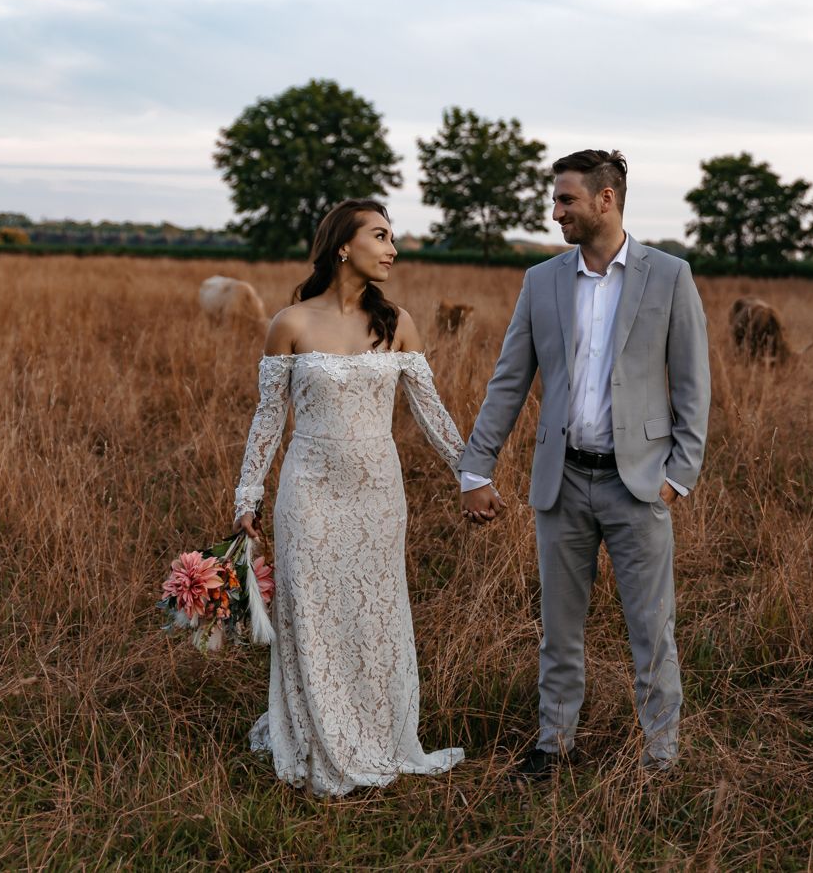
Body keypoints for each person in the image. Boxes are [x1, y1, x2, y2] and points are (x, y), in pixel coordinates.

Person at [459, 150, 711, 777]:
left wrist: (677, 478)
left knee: (652, 631)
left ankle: (660, 757)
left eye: (566, 200)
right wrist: (476, 466)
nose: (556, 212)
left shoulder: (670, 275)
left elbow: (692, 385)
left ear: (606, 199)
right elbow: (509, 380)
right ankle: (554, 746)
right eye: (556, 200)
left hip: (641, 485)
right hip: (562, 480)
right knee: (558, 629)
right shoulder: (542, 281)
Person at [232, 198, 466, 797]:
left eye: (394, 238)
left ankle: (375, 730)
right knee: (310, 614)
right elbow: (267, 420)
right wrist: (247, 494)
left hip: (377, 494)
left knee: (372, 614)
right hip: (308, 490)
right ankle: (316, 734)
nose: (393, 249)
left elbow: (431, 413)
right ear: (344, 246)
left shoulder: (399, 323)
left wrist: (472, 474)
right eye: (382, 236)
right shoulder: (289, 322)